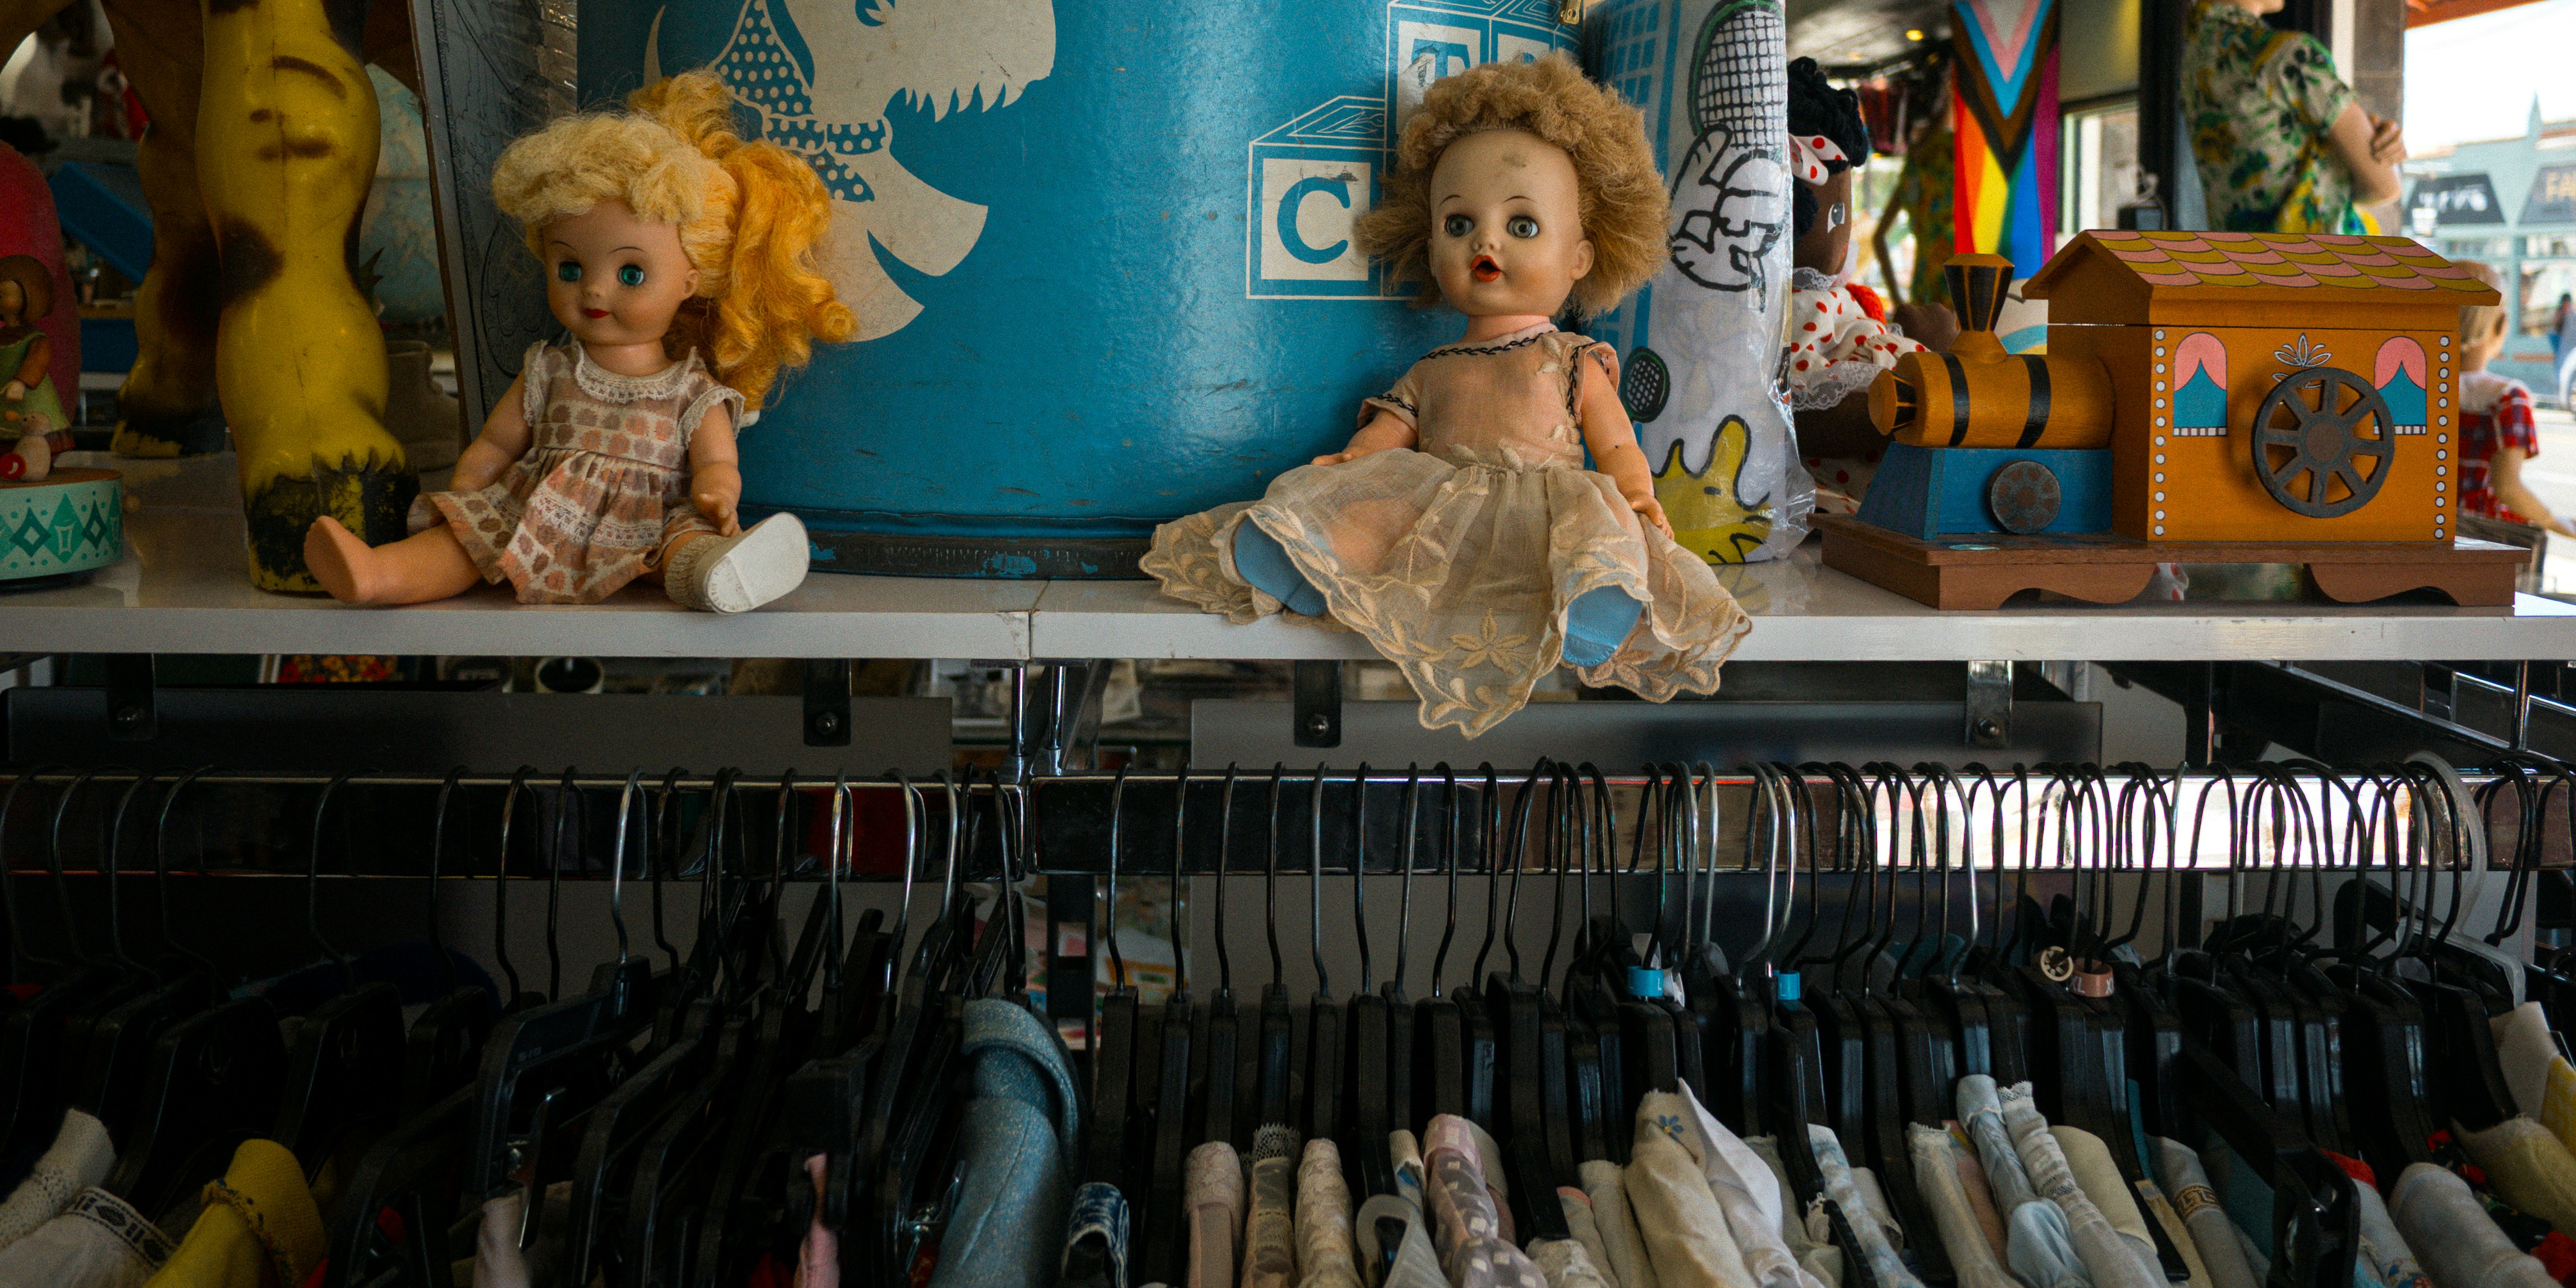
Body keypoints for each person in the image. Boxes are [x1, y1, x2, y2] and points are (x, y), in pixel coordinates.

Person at [1140, 55, 1746, 737]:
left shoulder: (1570, 357)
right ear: (1431, 251)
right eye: (1459, 225)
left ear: (1578, 258)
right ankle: (1299, 557)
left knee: (1592, 538)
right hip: (1441, 502)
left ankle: (1592, 606)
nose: (1484, 239)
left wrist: (1635, 495)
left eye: (1522, 227)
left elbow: (1612, 441)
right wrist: (1354, 461)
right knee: (1354, 509)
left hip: (1545, 497)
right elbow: (1394, 429)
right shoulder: (1433, 367)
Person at [303, 70, 855, 611]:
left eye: (632, 274)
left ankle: (719, 574)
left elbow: (715, 461)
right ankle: (378, 573)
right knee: (466, 541)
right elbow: (500, 442)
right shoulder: (549, 370)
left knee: (684, 545)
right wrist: (472, 482)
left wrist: (718, 492)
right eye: (569, 268)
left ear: (690, 281)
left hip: (649, 518)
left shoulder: (691, 389)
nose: (593, 289)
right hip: (539, 509)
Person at [2183, 0, 2404, 232]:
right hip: (2319, 260)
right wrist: (2372, 149)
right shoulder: (2289, 55)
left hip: (2243, 260)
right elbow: (2385, 185)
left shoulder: (2196, 59)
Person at [2457, 261, 2574, 537]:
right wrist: (2558, 523)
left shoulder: (2419, 389)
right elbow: (2508, 488)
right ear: (2500, 326)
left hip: (2425, 534)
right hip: (2487, 542)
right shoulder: (2507, 398)